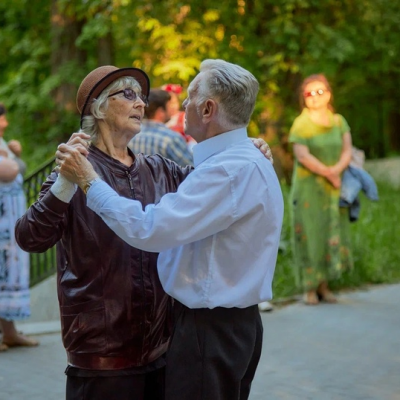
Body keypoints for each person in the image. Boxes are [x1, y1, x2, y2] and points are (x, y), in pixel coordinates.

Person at [15, 65, 272, 399]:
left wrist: (241, 145)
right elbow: (29, 237)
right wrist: (65, 183)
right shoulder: (75, 170)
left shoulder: (158, 168)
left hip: (161, 350)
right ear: (99, 107)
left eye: (141, 96)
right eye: (128, 94)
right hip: (102, 356)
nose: (141, 103)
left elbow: (214, 187)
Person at [288, 74, 353, 305]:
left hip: (333, 189)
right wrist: (330, 173)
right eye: (309, 93)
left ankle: (324, 286)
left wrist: (336, 170)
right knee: (309, 235)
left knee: (329, 234)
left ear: (328, 93)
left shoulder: (338, 121)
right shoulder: (301, 124)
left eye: (319, 92)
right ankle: (308, 288)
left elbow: (348, 150)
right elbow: (302, 155)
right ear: (303, 98)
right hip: (308, 190)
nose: (314, 97)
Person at [0, 103, 38, 351]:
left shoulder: (3, 144)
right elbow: (10, 172)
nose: (5, 124)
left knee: (8, 274)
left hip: (8, 225)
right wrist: (11, 160)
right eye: (1, 119)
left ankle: (9, 332)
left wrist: (12, 155)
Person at [129, 88, 194, 167]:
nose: (172, 110)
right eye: (169, 106)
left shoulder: (131, 135)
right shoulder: (171, 138)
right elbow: (192, 168)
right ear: (160, 112)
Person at [161, 83, 197, 150]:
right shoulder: (160, 119)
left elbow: (193, 139)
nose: (172, 106)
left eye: (174, 103)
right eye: (169, 104)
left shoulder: (184, 117)